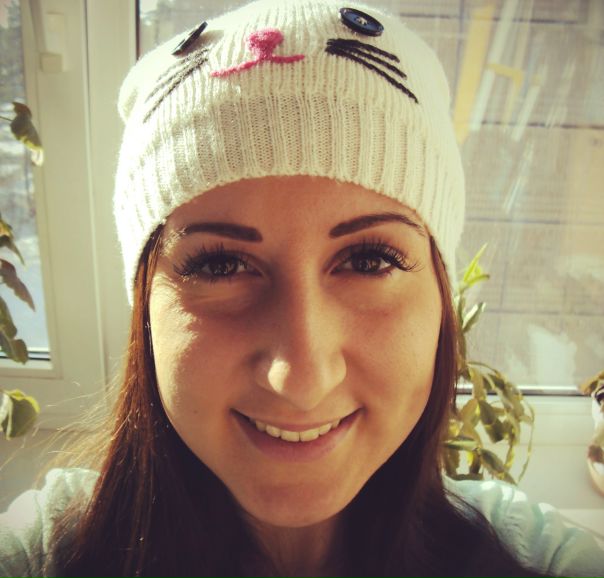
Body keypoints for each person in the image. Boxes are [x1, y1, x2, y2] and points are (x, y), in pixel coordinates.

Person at [1, 1, 603, 576]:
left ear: (441, 299)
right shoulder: (44, 555)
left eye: (369, 260)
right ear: (146, 308)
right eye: (220, 265)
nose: (301, 377)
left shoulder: (537, 558)